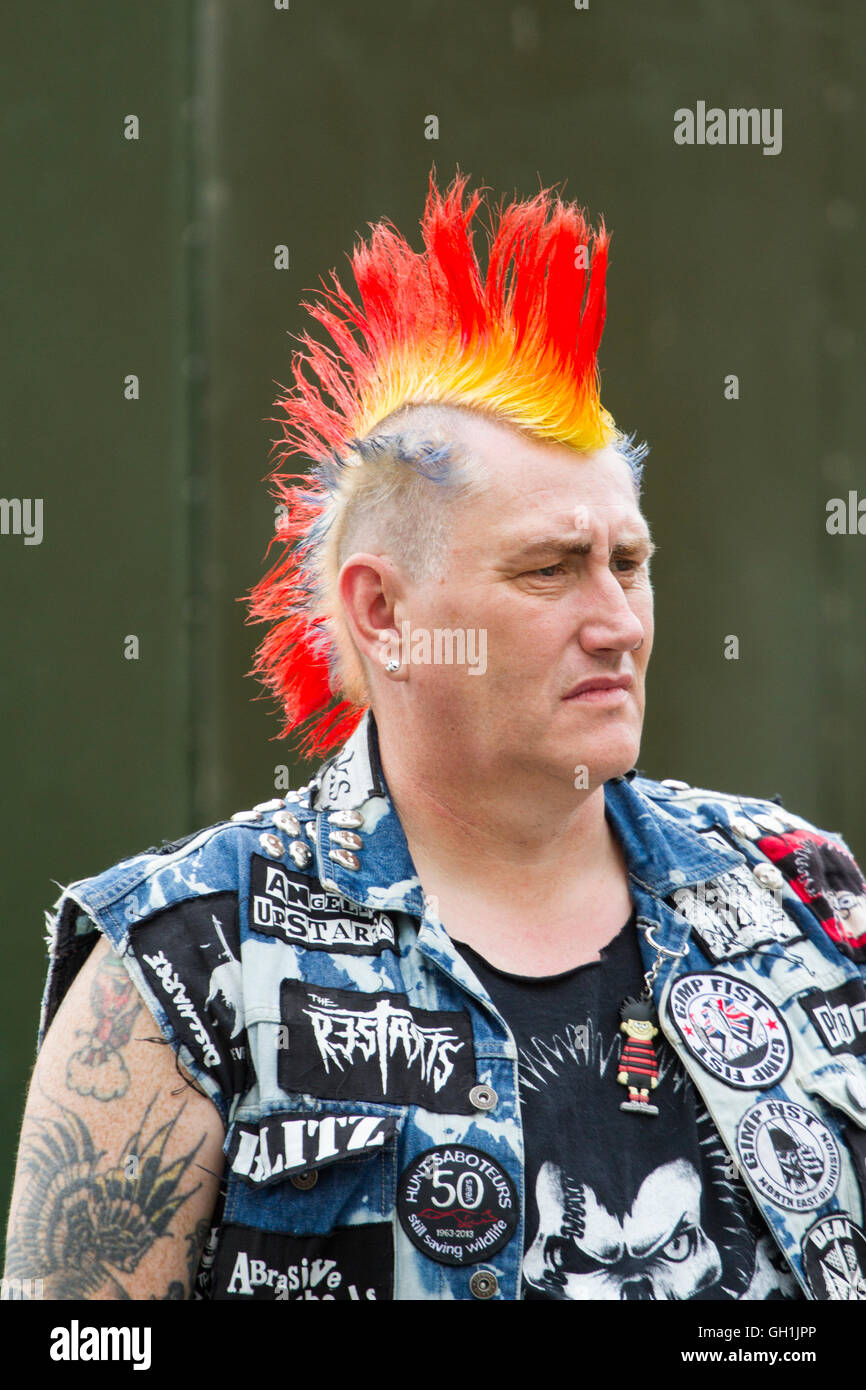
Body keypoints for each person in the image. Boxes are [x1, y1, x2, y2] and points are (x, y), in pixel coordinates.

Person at [5, 171, 866, 1302]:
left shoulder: (801, 892)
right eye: (548, 569)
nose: (614, 622)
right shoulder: (183, 964)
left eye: (629, 563)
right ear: (383, 613)